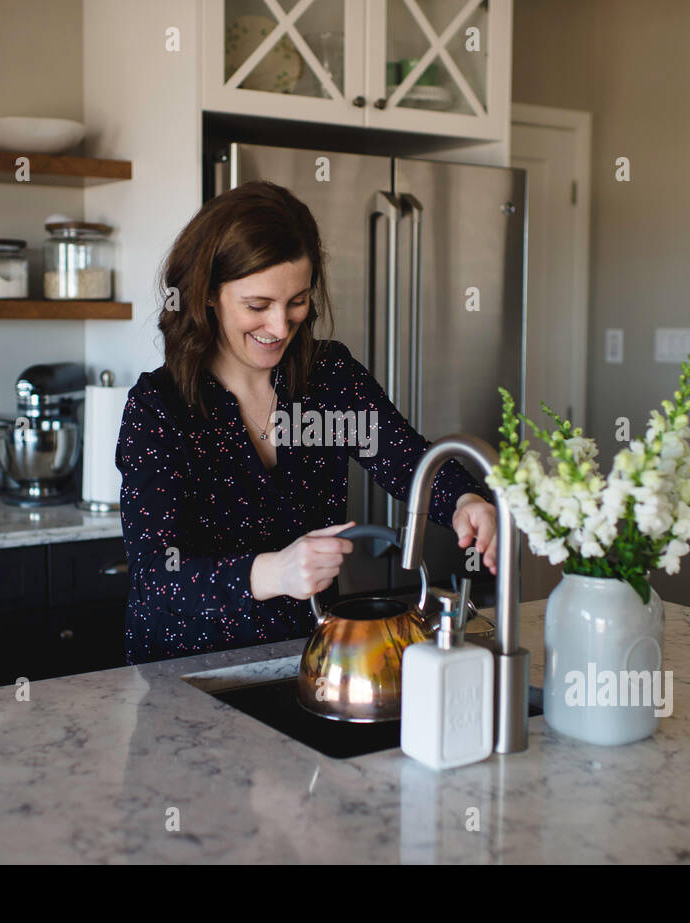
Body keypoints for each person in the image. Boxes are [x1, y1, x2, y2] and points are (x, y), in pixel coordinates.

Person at [115, 180, 499, 665]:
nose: (279, 327)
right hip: (185, 673)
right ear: (208, 294)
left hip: (308, 657)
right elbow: (157, 577)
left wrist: (465, 499)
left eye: (296, 301)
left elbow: (405, 459)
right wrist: (273, 572)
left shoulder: (328, 378)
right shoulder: (159, 408)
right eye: (258, 306)